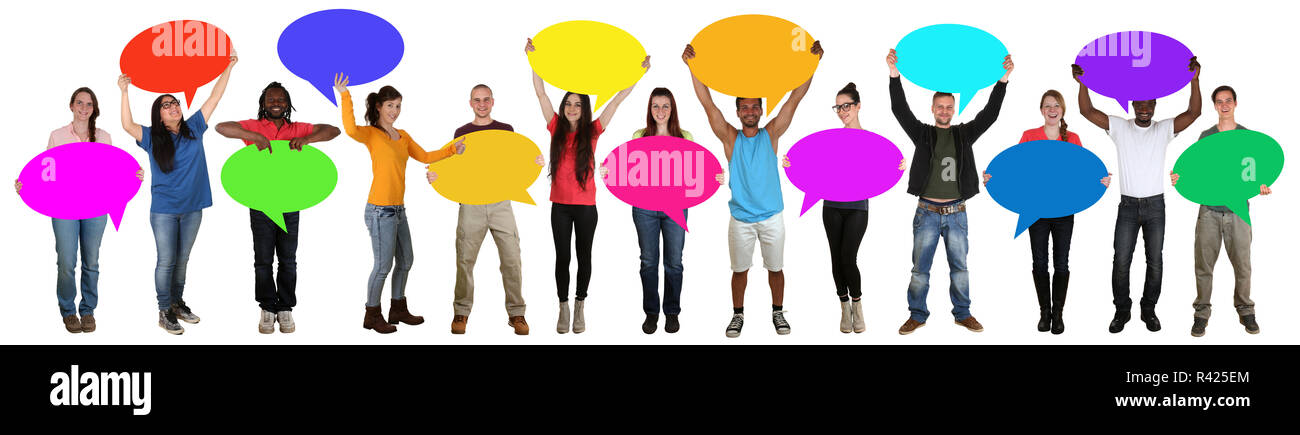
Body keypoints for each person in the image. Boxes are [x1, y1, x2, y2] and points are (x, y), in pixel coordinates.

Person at [683, 39, 823, 338]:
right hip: (741, 219)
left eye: (754, 106)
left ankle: (777, 312)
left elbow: (793, 100)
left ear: (760, 110)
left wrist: (813, 64)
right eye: (744, 106)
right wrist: (691, 67)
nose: (750, 110)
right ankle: (737, 315)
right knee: (739, 271)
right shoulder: (730, 138)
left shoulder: (771, 134)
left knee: (776, 269)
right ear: (738, 112)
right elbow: (707, 104)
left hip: (772, 216)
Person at [887, 48, 1013, 335]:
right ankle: (917, 315)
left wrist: (1003, 80)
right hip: (926, 212)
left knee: (960, 268)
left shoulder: (963, 134)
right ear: (932, 109)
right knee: (920, 270)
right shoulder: (922, 133)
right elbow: (899, 110)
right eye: (939, 107)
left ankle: (963, 313)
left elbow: (990, 114)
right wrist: (894, 75)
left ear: (954, 109)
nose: (944, 111)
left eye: (948, 107)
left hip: (956, 213)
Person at [526, 38, 646, 334]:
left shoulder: (593, 131)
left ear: (584, 108)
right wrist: (533, 60)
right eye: (568, 103)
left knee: (584, 257)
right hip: (560, 207)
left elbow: (617, 100)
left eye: (577, 104)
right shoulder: (554, 126)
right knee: (562, 258)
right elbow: (540, 92)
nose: (572, 107)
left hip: (586, 208)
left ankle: (580, 305)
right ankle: (563, 307)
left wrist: (638, 74)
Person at [1073, 56, 1202, 333]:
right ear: (1133, 105)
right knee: (1121, 260)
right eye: (1140, 104)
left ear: (1155, 106)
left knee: (1155, 261)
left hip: (1156, 206)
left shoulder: (1163, 129)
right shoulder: (1120, 127)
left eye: (1149, 104)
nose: (1145, 108)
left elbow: (1193, 114)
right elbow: (1086, 111)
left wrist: (1195, 80)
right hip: (1128, 207)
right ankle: (1121, 311)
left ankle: (1149, 309)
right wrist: (1082, 83)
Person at [334, 73, 464, 334]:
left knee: (406, 260)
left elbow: (425, 155)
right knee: (383, 265)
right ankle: (372, 314)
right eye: (390, 105)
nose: (395, 110)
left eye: (398, 105)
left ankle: (397, 309)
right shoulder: (371, 134)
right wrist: (345, 96)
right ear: (379, 107)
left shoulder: (402, 136)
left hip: (398, 210)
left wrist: (452, 149)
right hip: (379, 211)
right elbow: (349, 129)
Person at [119, 52, 237, 335]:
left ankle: (176, 304)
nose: (173, 107)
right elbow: (127, 125)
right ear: (158, 115)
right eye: (166, 105)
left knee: (182, 260)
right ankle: (163, 310)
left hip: (193, 208)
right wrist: (125, 92)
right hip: (164, 211)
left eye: (175, 103)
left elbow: (214, 98)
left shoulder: (194, 127)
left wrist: (229, 67)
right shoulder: (151, 138)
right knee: (166, 260)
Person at [214, 82, 341, 334]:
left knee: (288, 259)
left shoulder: (296, 128)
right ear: (263, 103)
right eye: (271, 99)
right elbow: (221, 127)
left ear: (287, 103)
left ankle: (285, 307)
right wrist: (255, 137)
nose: (276, 103)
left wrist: (306, 139)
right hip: (260, 202)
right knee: (262, 260)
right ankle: (267, 307)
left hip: (291, 202)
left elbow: (333, 130)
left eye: (281, 100)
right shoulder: (253, 125)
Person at [14, 88, 143, 333]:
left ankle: (88, 310)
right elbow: (46, 173)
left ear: (94, 109)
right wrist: (26, 186)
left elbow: (112, 175)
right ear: (71, 106)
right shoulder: (57, 135)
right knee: (66, 261)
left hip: (96, 207)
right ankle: (68, 310)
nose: (84, 108)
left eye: (89, 104)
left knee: (91, 262)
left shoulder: (103, 137)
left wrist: (132, 176)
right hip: (63, 207)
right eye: (80, 103)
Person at [780, 82, 905, 334]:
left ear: (858, 106)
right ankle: (843, 306)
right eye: (838, 107)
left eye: (846, 105)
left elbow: (881, 169)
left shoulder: (871, 141)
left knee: (849, 257)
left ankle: (857, 305)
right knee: (836, 258)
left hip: (858, 208)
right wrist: (793, 163)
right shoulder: (831, 141)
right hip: (831, 206)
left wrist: (896, 166)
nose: (842, 111)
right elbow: (814, 168)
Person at [983, 90, 1110, 335]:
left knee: (1061, 263)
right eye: (1047, 105)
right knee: (1040, 262)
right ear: (1041, 110)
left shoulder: (1072, 138)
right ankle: (1044, 313)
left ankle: (1059, 314)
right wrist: (994, 179)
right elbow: (1015, 170)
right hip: (1036, 209)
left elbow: (1083, 174)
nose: (1052, 109)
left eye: (1056, 105)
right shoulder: (1029, 136)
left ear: (1062, 110)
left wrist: (1099, 181)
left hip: (1064, 211)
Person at [427, 83, 544, 335]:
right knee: (464, 260)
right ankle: (461, 311)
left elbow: (516, 164)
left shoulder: (506, 131)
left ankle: (517, 313)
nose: (481, 104)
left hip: (502, 202)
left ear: (493, 101)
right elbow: (452, 168)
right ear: (470, 103)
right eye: (477, 100)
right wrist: (438, 177)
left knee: (512, 259)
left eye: (486, 99)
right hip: (470, 204)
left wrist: (533, 163)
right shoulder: (462, 132)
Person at [1170, 85, 1269, 336]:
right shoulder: (1206, 136)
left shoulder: (1247, 137)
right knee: (1203, 266)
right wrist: (1180, 178)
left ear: (1235, 103)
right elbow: (1196, 171)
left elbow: (1254, 171)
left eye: (1228, 100)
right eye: (1219, 101)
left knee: (1243, 265)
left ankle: (1246, 310)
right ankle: (1201, 313)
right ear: (1214, 106)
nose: (1224, 105)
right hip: (1209, 212)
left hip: (1238, 212)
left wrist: (1262, 184)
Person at [598, 87, 696, 334]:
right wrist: (610, 172)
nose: (660, 111)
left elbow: (694, 174)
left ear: (672, 109)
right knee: (648, 262)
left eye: (665, 106)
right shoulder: (639, 136)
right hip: (644, 208)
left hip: (676, 207)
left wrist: (712, 177)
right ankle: (651, 313)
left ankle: (671, 312)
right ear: (649, 110)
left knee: (674, 263)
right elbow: (630, 173)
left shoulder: (685, 137)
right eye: (655, 106)